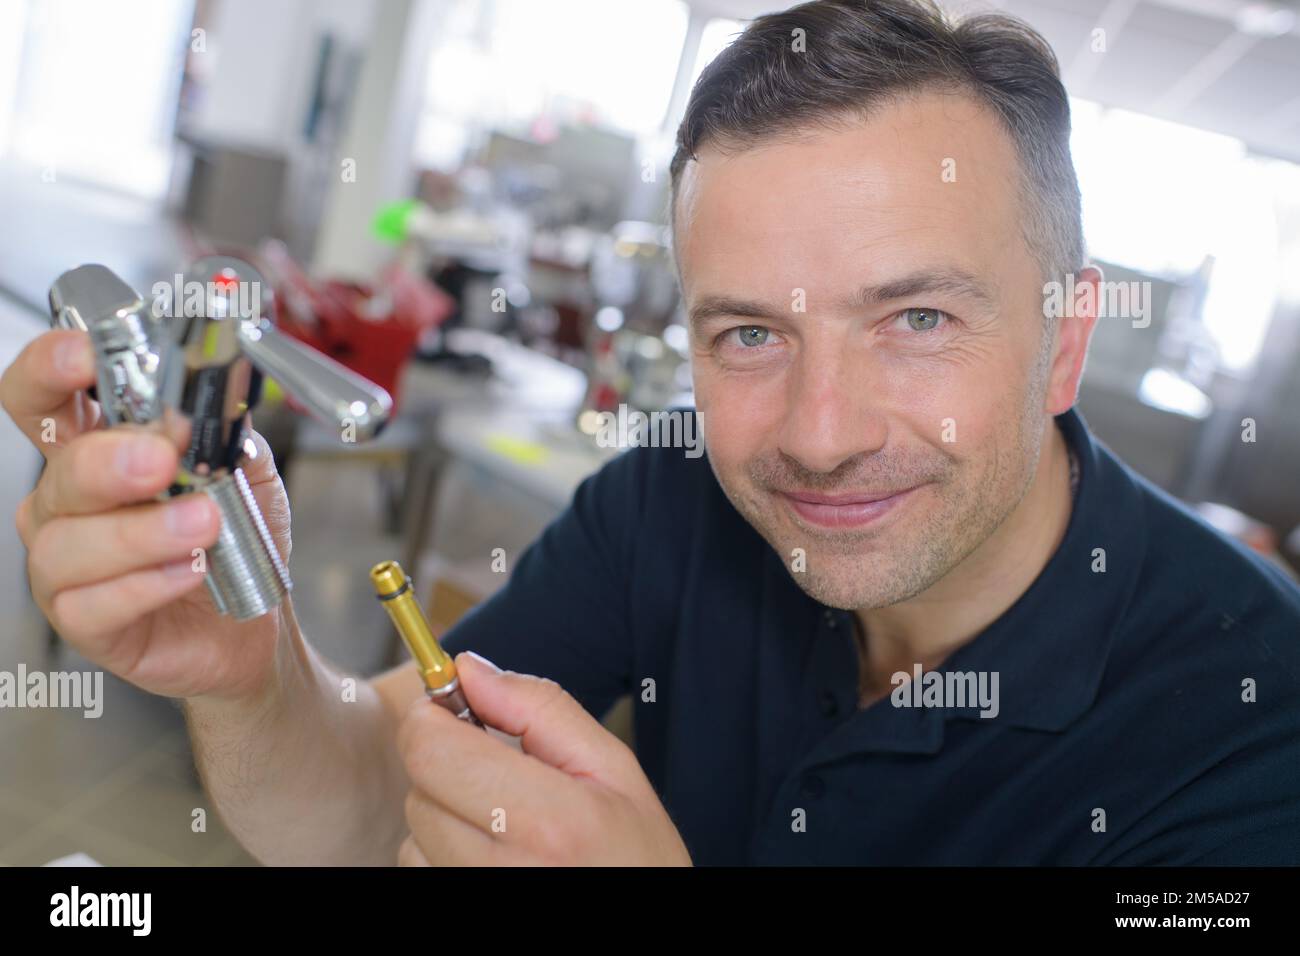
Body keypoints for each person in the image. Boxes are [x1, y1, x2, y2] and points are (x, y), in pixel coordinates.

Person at [5, 0, 1299, 865]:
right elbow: (356, 804)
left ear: (1066, 342)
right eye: (749, 334)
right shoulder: (673, 504)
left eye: (914, 318)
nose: (821, 435)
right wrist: (252, 671)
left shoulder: (1252, 725)